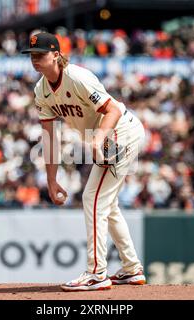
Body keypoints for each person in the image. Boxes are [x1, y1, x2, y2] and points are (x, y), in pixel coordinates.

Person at [22, 32, 146, 291]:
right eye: (31, 55)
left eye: (40, 54)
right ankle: (132, 269)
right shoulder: (41, 90)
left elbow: (112, 109)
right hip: (105, 136)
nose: (34, 59)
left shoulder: (77, 77)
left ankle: (97, 272)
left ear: (56, 55)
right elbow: (50, 137)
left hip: (120, 132)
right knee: (106, 204)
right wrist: (51, 179)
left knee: (93, 198)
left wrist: (98, 137)